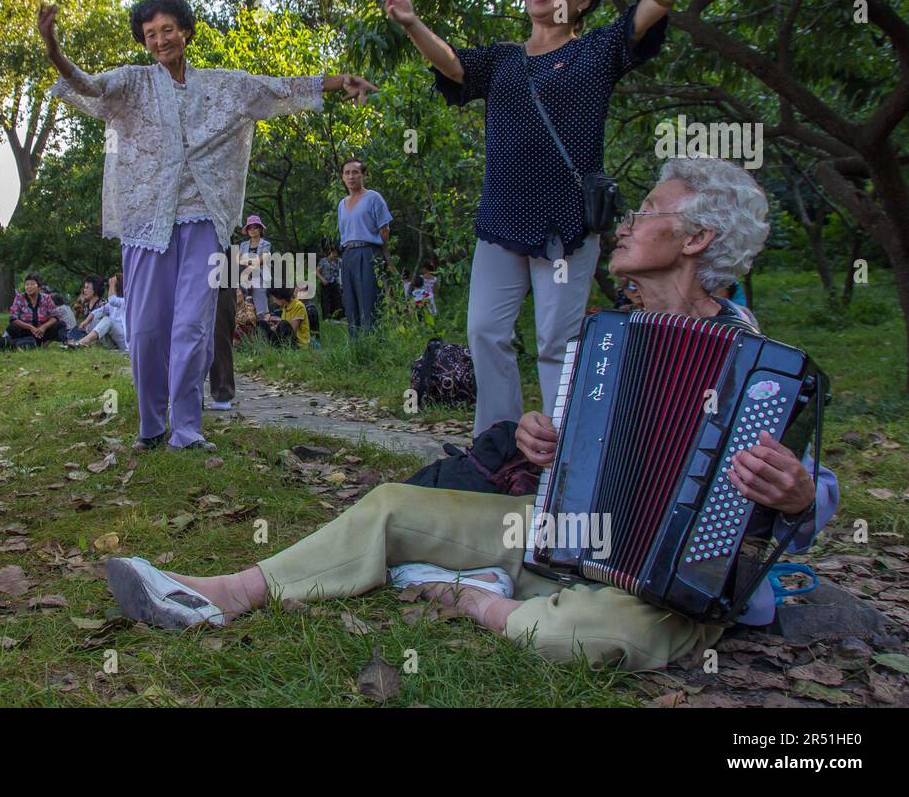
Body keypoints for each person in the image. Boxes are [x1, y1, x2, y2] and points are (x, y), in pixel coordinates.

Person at [103, 157, 839, 672]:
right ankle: (223, 595)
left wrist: (800, 495)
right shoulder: (613, 335)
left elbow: (813, 495)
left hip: (670, 589)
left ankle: (465, 596)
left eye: (648, 211)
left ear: (696, 240)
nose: (625, 221)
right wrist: (540, 440)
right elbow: (584, 450)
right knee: (393, 503)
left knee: (585, 636)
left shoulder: (757, 363)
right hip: (567, 542)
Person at [377, 0, 697, 437]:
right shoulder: (504, 60)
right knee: (484, 331)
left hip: (565, 227)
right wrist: (412, 23)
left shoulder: (595, 52)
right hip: (501, 221)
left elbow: (643, 15)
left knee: (556, 341)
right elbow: (455, 65)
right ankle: (499, 443)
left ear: (583, 0)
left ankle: (563, 452)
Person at [41, 0, 376, 451]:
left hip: (201, 219)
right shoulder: (134, 83)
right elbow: (89, 86)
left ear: (186, 31)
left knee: (193, 327)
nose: (161, 40)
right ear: (144, 41)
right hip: (146, 225)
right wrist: (55, 50)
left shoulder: (220, 85)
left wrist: (340, 83)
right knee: (145, 329)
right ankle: (151, 425)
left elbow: (275, 88)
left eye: (168, 30)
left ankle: (187, 429)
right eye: (151, 34)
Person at [337, 158, 394, 337]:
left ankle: (372, 343)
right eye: (347, 173)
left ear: (363, 175)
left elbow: (384, 229)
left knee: (368, 300)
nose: (351, 176)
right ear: (342, 177)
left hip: (368, 251)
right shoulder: (342, 203)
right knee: (350, 301)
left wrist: (380, 253)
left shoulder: (373, 197)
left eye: (355, 172)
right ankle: (356, 347)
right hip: (348, 254)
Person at [66, 274, 127, 350]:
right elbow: (97, 311)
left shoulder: (126, 301)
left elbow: (112, 300)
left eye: (87, 288)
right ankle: (82, 343)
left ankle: (82, 342)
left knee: (107, 320)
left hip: (124, 342)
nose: (84, 290)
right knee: (98, 315)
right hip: (112, 343)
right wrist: (85, 321)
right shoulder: (108, 305)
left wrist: (112, 283)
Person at [207, 264, 236, 411]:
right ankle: (188, 395)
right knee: (186, 333)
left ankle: (223, 391)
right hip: (187, 261)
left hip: (222, 268)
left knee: (220, 334)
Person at [8, 273, 62, 347]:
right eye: (27, 284)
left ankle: (45, 344)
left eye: (32, 284)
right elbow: (13, 318)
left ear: (39, 287)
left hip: (43, 332)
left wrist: (43, 327)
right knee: (12, 327)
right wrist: (30, 327)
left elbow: (55, 316)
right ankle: (27, 341)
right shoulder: (19, 298)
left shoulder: (46, 298)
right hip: (26, 331)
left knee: (60, 324)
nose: (29, 287)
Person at [238, 215, 273, 318]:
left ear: (260, 229)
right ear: (247, 230)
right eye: (250, 228)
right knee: (245, 307)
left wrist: (247, 261)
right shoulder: (243, 245)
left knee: (261, 309)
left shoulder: (266, 244)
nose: (252, 230)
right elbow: (239, 260)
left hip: (260, 277)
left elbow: (262, 260)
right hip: (245, 277)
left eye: (255, 227)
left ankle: (262, 331)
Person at [67, 275, 107, 341]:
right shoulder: (86, 305)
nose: (84, 290)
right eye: (84, 288)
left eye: (87, 288)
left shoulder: (103, 304)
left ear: (95, 289)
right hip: (86, 332)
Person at [316, 246, 342, 320]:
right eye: (334, 254)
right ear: (331, 253)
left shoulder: (338, 261)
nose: (335, 256)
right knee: (325, 300)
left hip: (335, 282)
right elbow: (317, 272)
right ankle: (326, 317)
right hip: (325, 283)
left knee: (337, 300)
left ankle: (338, 317)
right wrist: (322, 279)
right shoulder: (323, 261)